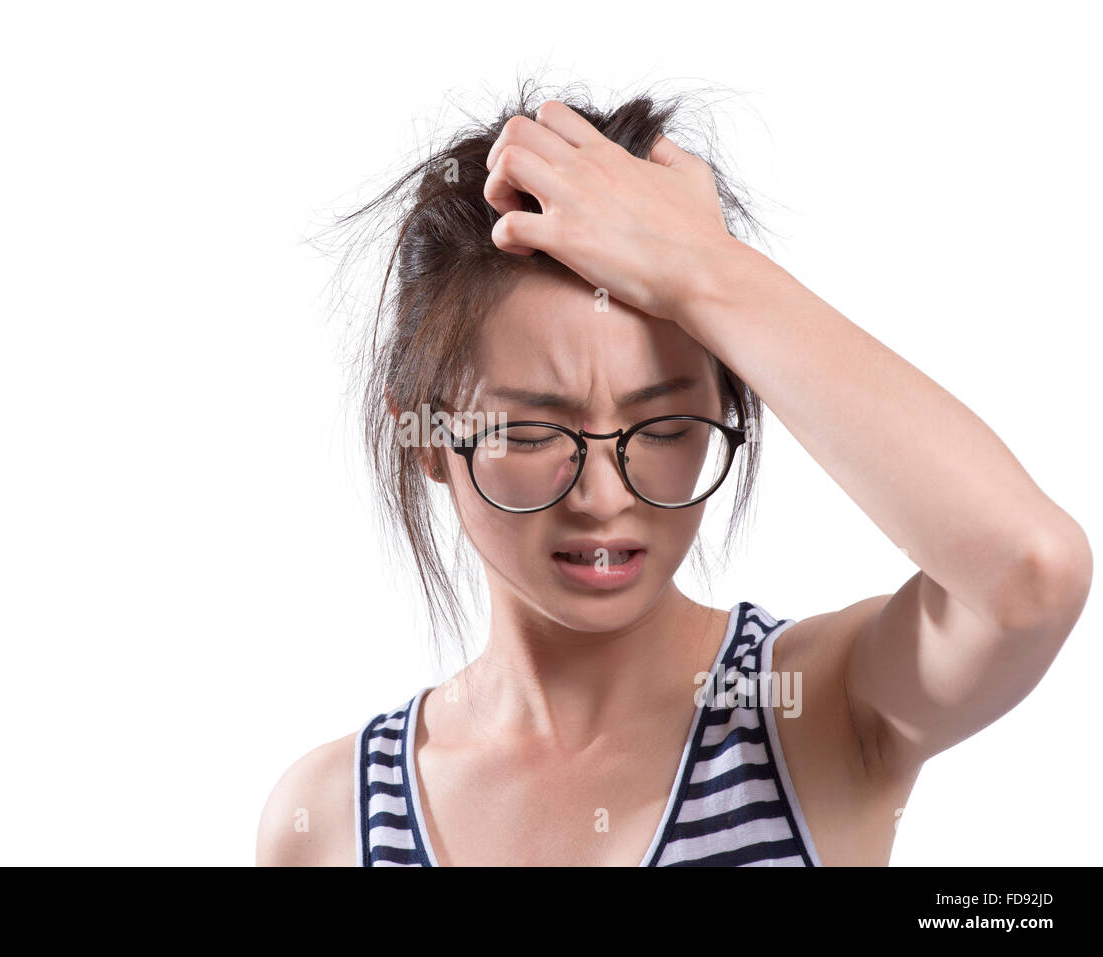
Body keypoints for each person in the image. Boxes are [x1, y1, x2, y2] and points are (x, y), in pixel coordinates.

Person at [256, 80, 1092, 866]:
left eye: (662, 425)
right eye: (532, 428)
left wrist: (704, 270)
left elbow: (1029, 571)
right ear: (426, 435)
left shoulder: (813, 714)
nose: (604, 497)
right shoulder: (331, 821)